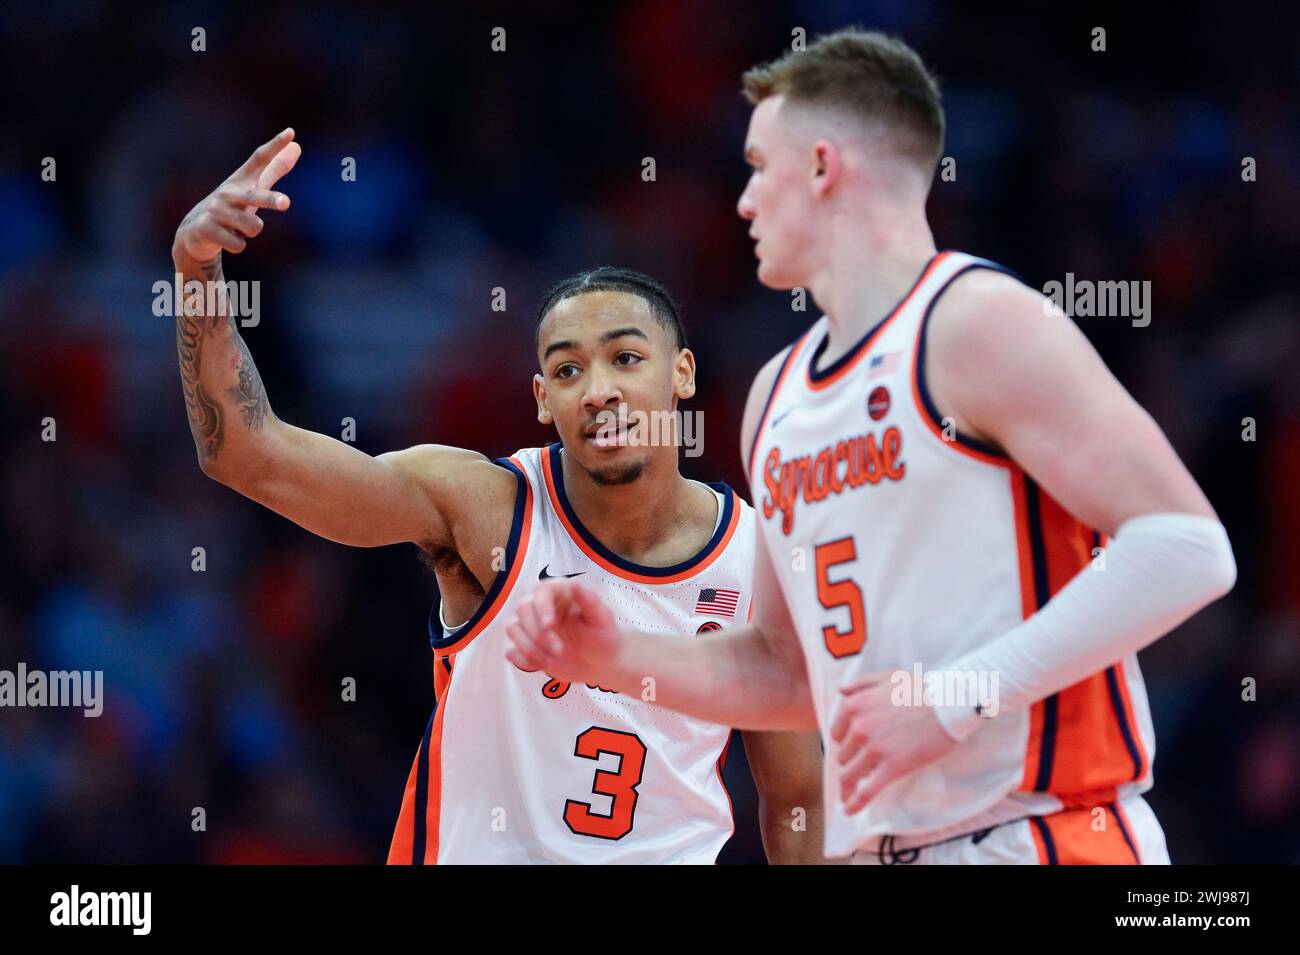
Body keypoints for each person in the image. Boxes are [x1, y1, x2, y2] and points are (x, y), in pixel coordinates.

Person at [504, 29, 1237, 865]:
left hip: (1040, 834)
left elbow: (1187, 547)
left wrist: (951, 699)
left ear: (823, 167)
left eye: (758, 165)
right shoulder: (775, 397)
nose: (742, 200)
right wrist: (614, 653)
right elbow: (783, 674)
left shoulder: (975, 323)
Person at [169, 130, 826, 864]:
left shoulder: (761, 560)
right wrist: (198, 269)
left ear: (682, 374)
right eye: (569, 369)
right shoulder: (486, 507)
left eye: (627, 358)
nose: (601, 388)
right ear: (545, 399)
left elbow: (798, 797)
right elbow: (246, 454)